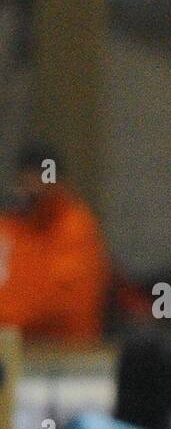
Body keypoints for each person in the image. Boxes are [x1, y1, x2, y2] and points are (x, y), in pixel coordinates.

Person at [0, 144, 109, 343]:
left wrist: (7, 320)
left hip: (65, 355)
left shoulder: (76, 227)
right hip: (13, 349)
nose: (33, 188)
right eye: (26, 181)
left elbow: (61, 303)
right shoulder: (9, 227)